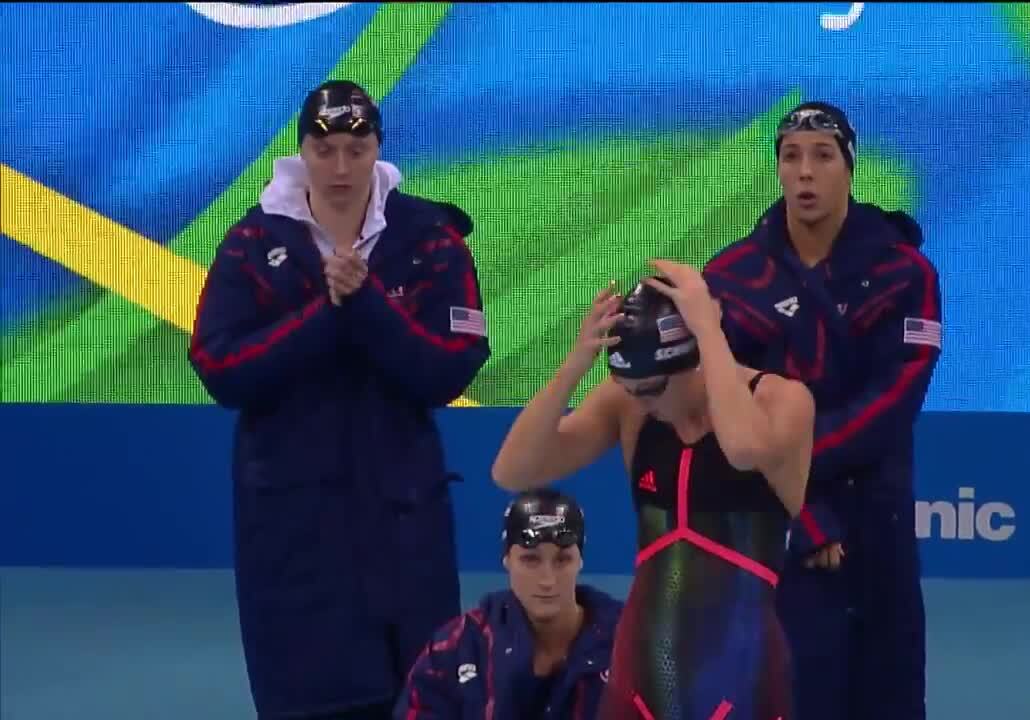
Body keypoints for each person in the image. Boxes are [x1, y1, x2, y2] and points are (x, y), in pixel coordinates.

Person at [187, 80, 491, 719]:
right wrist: (326, 313)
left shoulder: (433, 239)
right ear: (303, 151)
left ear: (378, 147)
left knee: (421, 697)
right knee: (307, 699)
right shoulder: (250, 243)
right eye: (326, 150)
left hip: (405, 517)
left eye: (357, 148)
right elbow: (219, 368)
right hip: (292, 528)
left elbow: (449, 370)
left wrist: (367, 305)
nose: (342, 167)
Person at [701, 100, 942, 719]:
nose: (805, 171)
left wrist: (796, 470)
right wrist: (801, 511)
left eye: (822, 156)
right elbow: (721, 414)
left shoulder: (904, 272)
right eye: (791, 156)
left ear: (849, 169)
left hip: (878, 527)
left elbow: (892, 404)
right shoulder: (731, 278)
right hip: (775, 531)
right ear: (778, 170)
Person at [490, 262, 816, 719]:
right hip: (637, 676)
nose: (639, 401)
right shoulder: (633, 406)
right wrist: (571, 369)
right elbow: (512, 471)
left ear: (694, 358)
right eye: (628, 387)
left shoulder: (782, 401)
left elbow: (744, 449)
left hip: (743, 678)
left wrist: (707, 329)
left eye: (651, 388)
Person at [394, 489, 623, 720]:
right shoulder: (455, 649)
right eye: (530, 559)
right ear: (507, 561)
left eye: (562, 560)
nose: (547, 580)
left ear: (580, 561)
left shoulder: (629, 641)